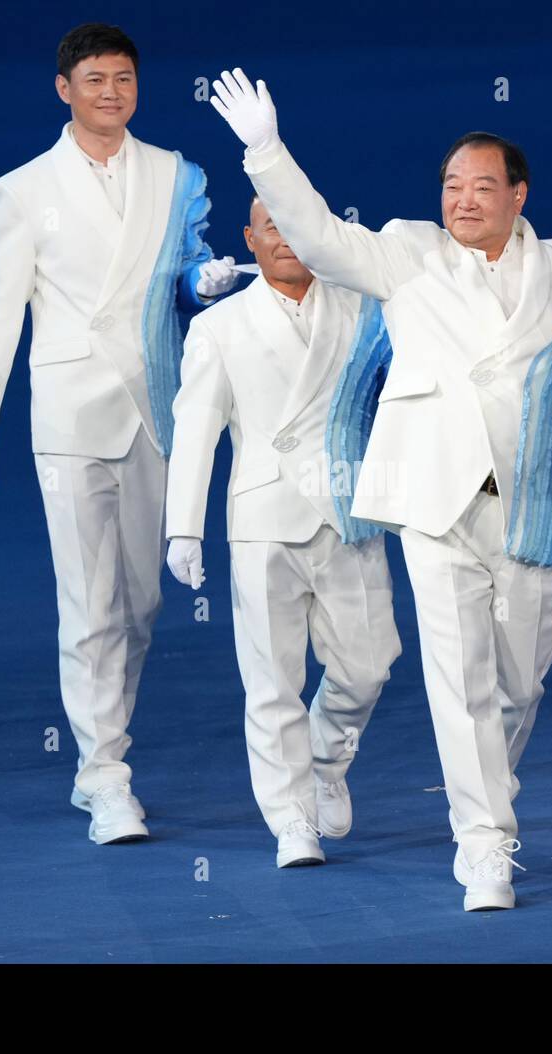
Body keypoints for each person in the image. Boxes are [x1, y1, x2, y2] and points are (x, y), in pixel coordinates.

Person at [209, 68, 552, 911]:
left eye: (480, 187)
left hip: (530, 506)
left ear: (518, 194)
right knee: (457, 679)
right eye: (450, 187)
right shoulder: (408, 253)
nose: (462, 201)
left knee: (521, 684)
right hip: (434, 502)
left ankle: (489, 803)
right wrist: (264, 150)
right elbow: (319, 237)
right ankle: (484, 847)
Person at [0, 23, 239, 845]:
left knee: (141, 603)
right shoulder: (24, 188)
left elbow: (183, 274)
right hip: (72, 410)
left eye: (123, 78)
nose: (111, 92)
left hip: (153, 404)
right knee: (89, 602)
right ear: (63, 89)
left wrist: (202, 279)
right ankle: (105, 774)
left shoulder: (175, 173)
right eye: (94, 79)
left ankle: (103, 750)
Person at [164, 196, 402, 868]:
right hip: (264, 519)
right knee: (271, 680)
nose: (286, 240)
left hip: (348, 510)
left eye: (297, 226)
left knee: (369, 664)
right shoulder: (220, 326)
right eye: (272, 228)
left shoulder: (365, 309)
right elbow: (195, 433)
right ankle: (291, 818)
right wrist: (183, 529)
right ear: (250, 238)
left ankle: (325, 758)